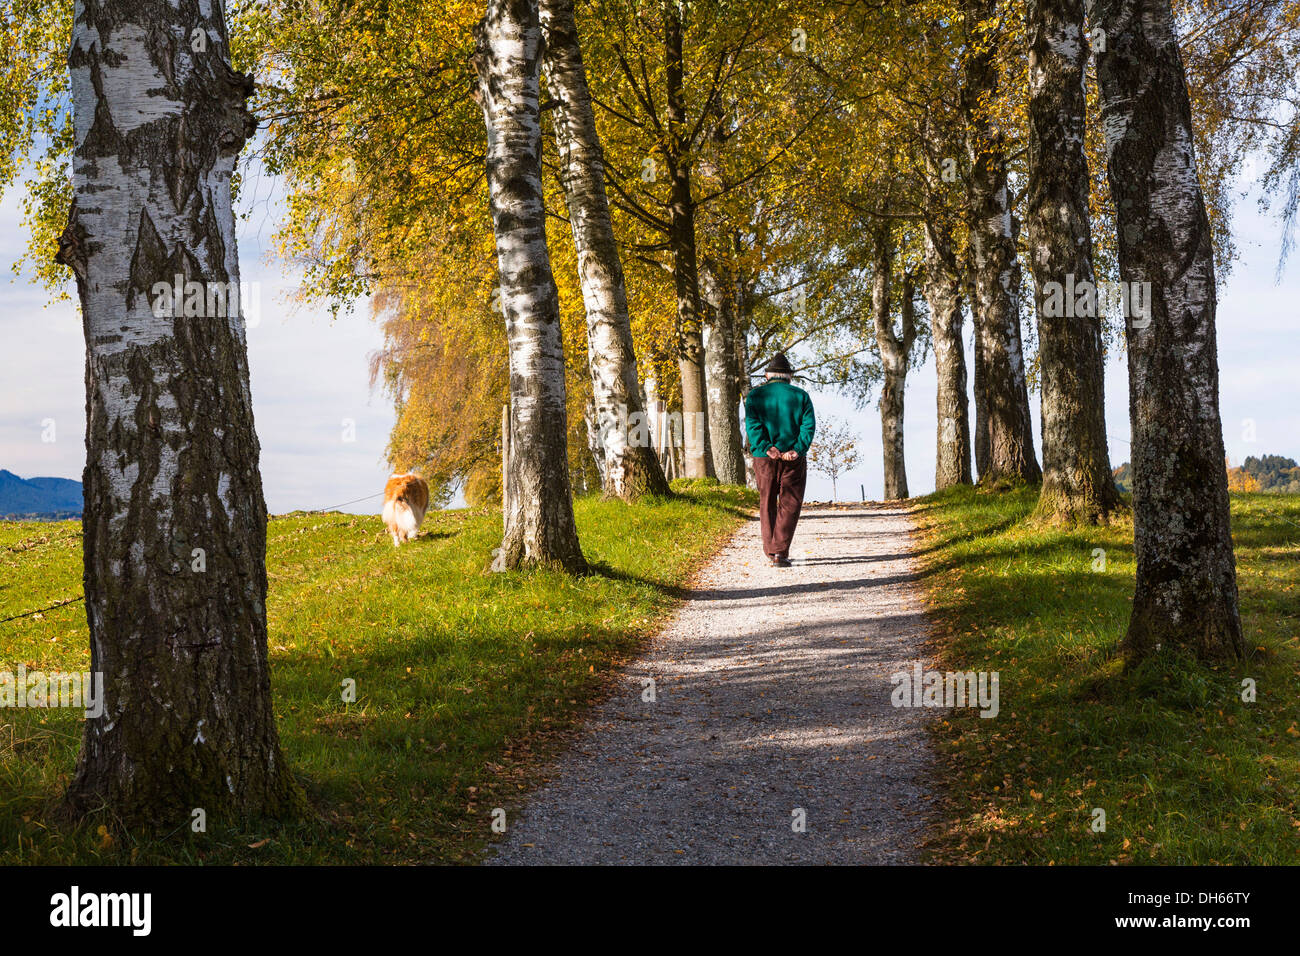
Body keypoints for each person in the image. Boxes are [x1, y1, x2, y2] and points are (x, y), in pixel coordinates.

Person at [744, 352, 815, 567]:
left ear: (767, 376)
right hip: (792, 458)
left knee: (767, 502)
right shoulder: (801, 396)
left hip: (764, 458)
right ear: (789, 376)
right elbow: (808, 426)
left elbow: (752, 425)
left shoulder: (755, 396)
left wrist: (767, 447)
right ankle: (780, 553)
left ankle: (770, 550)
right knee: (790, 503)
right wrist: (797, 449)